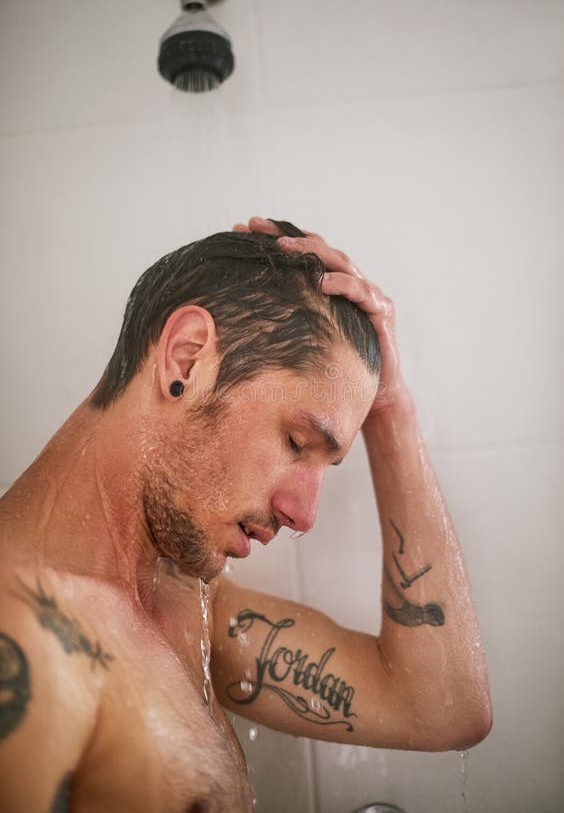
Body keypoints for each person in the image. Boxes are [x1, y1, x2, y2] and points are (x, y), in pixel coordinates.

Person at [0, 216, 492, 812]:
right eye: (295, 442)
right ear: (187, 359)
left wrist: (390, 408)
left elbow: (440, 709)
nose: (303, 515)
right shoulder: (22, 630)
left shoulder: (182, 602)